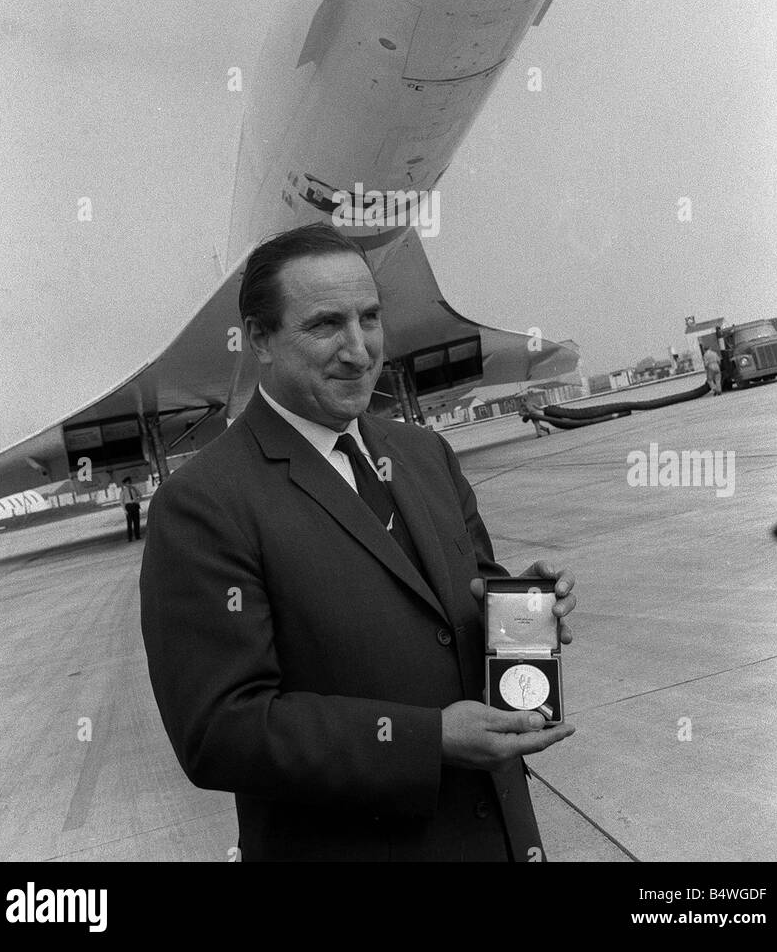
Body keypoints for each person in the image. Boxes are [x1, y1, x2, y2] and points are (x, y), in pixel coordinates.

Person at [140, 224, 577, 863]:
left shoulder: (425, 454)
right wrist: (427, 741)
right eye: (325, 325)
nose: (358, 349)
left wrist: (522, 607)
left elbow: (461, 603)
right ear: (258, 338)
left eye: (369, 318)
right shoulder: (203, 505)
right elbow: (219, 731)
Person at [119, 475, 142, 541]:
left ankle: (137, 536)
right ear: (125, 484)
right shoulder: (123, 491)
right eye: (127, 483)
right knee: (129, 523)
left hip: (135, 506)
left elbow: (140, 495)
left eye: (129, 482)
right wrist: (124, 510)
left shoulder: (134, 489)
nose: (129, 484)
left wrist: (138, 501)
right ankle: (130, 537)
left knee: (136, 522)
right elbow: (122, 502)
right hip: (128, 507)